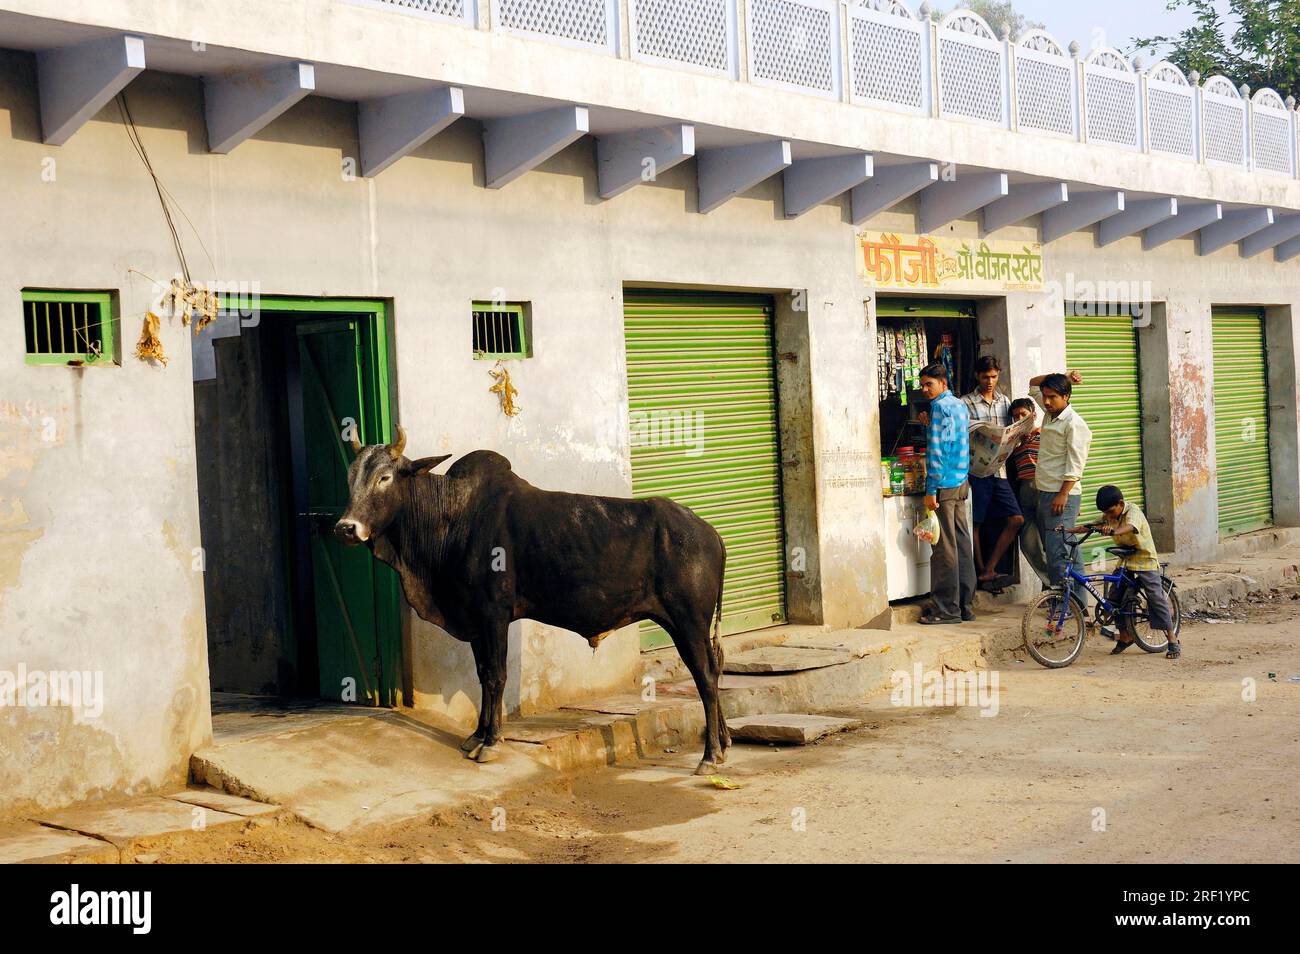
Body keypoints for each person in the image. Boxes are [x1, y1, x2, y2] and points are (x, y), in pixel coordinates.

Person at [1072, 485, 1180, 659]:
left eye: (1109, 512)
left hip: (1144, 558)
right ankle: (1125, 636)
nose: (1107, 516)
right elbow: (1091, 525)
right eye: (1105, 513)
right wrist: (1068, 530)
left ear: (1120, 503)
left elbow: (1130, 526)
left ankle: (1172, 639)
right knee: (1114, 598)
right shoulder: (1109, 516)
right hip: (1125, 559)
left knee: (1155, 596)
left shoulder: (1132, 511)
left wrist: (1114, 531)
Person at [918, 362, 976, 625]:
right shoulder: (958, 405)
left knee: (944, 548)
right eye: (922, 385)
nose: (924, 390)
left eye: (929, 384)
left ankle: (946, 610)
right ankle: (965, 605)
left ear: (943, 383)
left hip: (944, 485)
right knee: (962, 543)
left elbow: (938, 452)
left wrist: (931, 490)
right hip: (961, 480)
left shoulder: (940, 407)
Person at [962, 356, 1024, 585]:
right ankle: (981, 571)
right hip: (976, 472)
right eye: (985, 376)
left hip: (1000, 472)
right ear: (977, 376)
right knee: (976, 523)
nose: (990, 381)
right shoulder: (965, 403)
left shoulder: (1005, 401)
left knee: (1016, 518)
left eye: (994, 376)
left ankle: (990, 568)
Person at [1028, 370, 1092, 587]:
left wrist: (1064, 494)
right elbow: (1032, 383)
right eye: (1045, 396)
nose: (1046, 401)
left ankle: (1070, 603)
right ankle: (1073, 603)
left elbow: (1076, 464)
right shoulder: (1049, 413)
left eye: (1052, 397)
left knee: (1060, 552)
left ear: (1066, 397)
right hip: (1046, 491)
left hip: (1061, 494)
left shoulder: (1074, 423)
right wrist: (1063, 375)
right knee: (1061, 548)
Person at [1009, 397, 1049, 587]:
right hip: (1025, 490)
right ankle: (1051, 583)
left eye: (1023, 414)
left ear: (1033, 415)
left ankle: (1055, 589)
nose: (1020, 418)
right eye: (1016, 416)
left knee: (1049, 542)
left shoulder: (1045, 435)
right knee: (1028, 542)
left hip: (1044, 488)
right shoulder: (1015, 442)